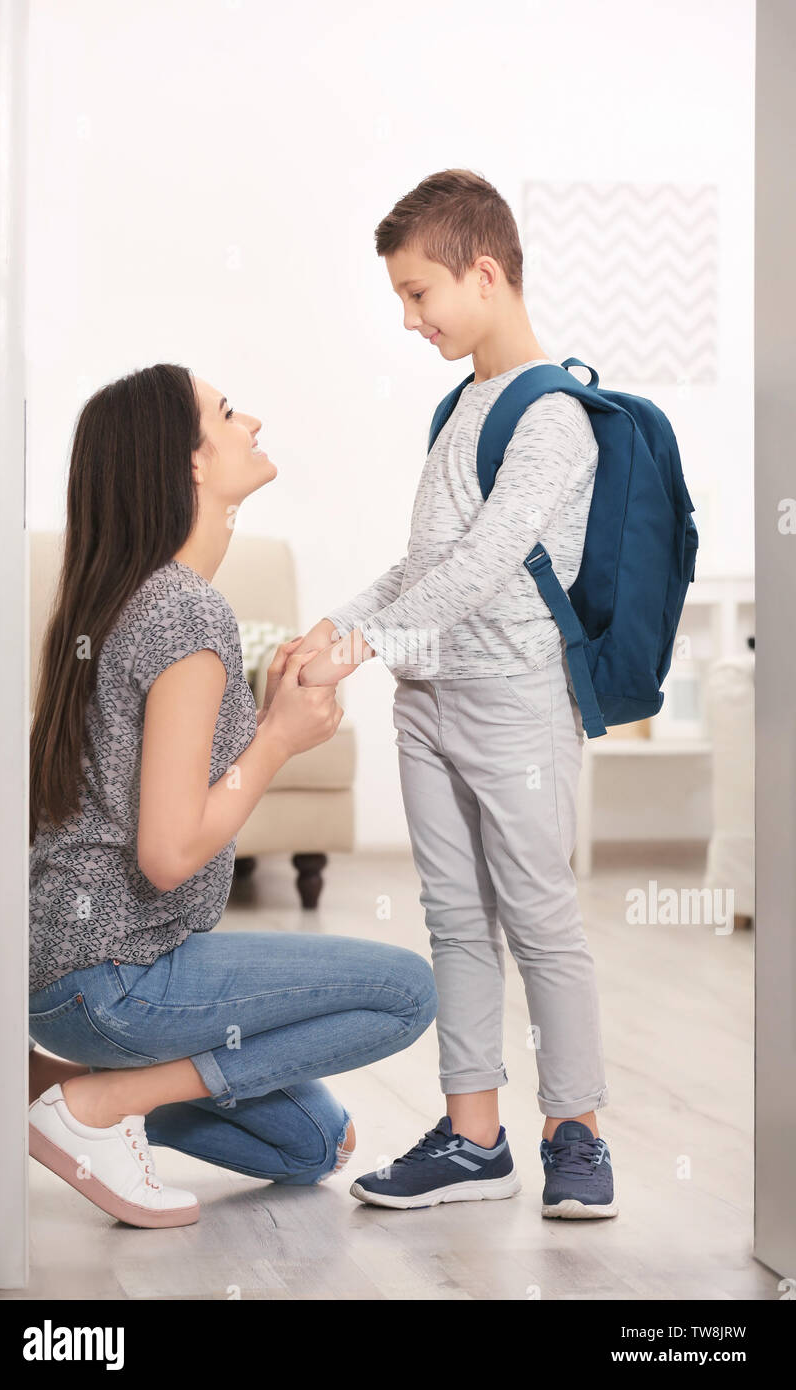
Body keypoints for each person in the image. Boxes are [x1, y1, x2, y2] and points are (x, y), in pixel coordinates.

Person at [27, 363, 437, 1229]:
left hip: (56, 984)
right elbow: (169, 855)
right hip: (118, 979)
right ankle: (96, 1109)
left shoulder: (120, 597)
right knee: (404, 993)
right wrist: (278, 739)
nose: (250, 419)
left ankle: (43, 1089)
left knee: (312, 1147)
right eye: (224, 412)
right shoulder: (184, 613)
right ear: (191, 465)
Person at [296, 168, 617, 1218]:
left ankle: (577, 1132)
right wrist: (345, 626)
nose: (407, 316)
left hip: (515, 703)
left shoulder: (554, 416)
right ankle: (473, 1137)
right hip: (426, 701)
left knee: (539, 918)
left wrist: (366, 644)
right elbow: (423, 558)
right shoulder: (462, 402)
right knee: (454, 921)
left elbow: (482, 564)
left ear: (484, 272)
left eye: (418, 292)